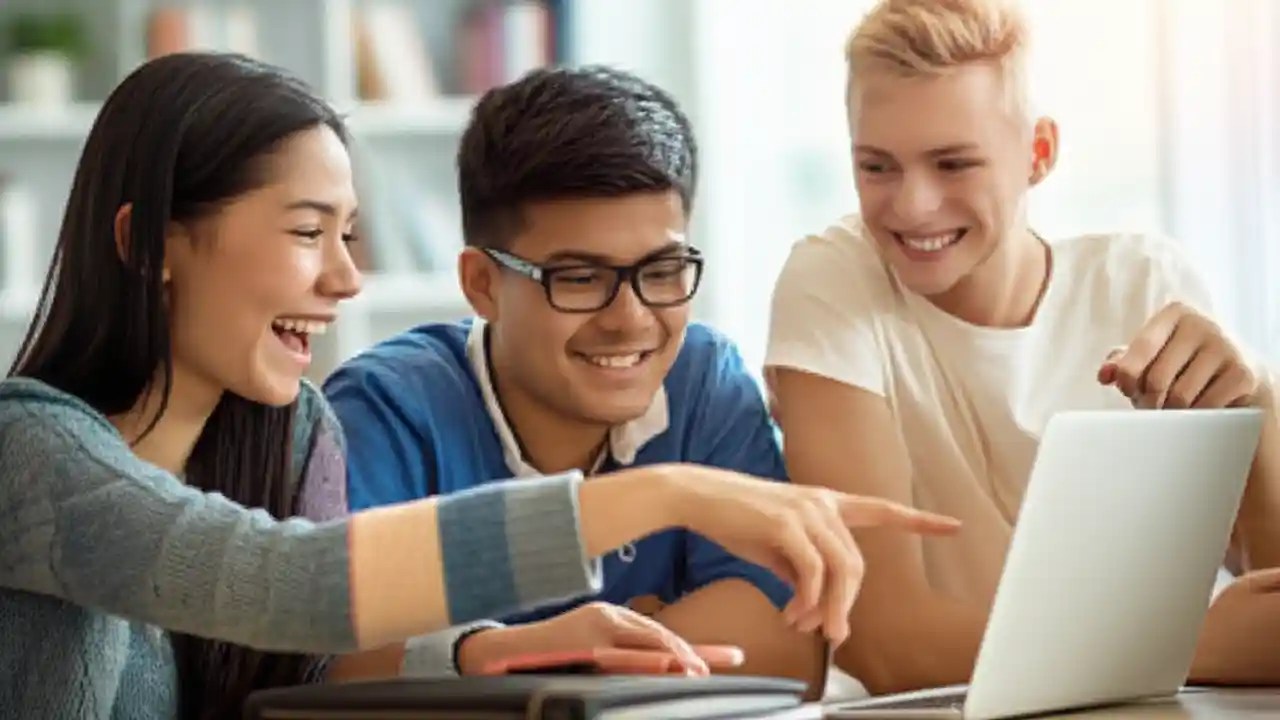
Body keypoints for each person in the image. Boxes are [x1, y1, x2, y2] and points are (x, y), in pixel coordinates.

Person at [0, 51, 961, 720]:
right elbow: (289, 585)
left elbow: (311, 670)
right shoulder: (30, 451)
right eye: (306, 234)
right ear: (147, 245)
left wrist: (478, 653)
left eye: (349, 236)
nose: (345, 281)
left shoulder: (286, 442)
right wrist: (661, 496)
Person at [319, 65, 922, 693]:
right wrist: (603, 643)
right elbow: (331, 662)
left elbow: (786, 641)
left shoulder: (701, 381)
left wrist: (533, 659)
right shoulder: (388, 407)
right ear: (481, 285)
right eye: (579, 279)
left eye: (662, 271)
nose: (629, 319)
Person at [764, 0, 1280, 696]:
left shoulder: (1144, 283)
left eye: (953, 164)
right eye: (877, 166)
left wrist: (1259, 399)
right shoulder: (833, 283)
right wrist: (1189, 643)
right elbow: (884, 644)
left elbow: (1268, 592)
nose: (912, 206)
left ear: (1038, 153)